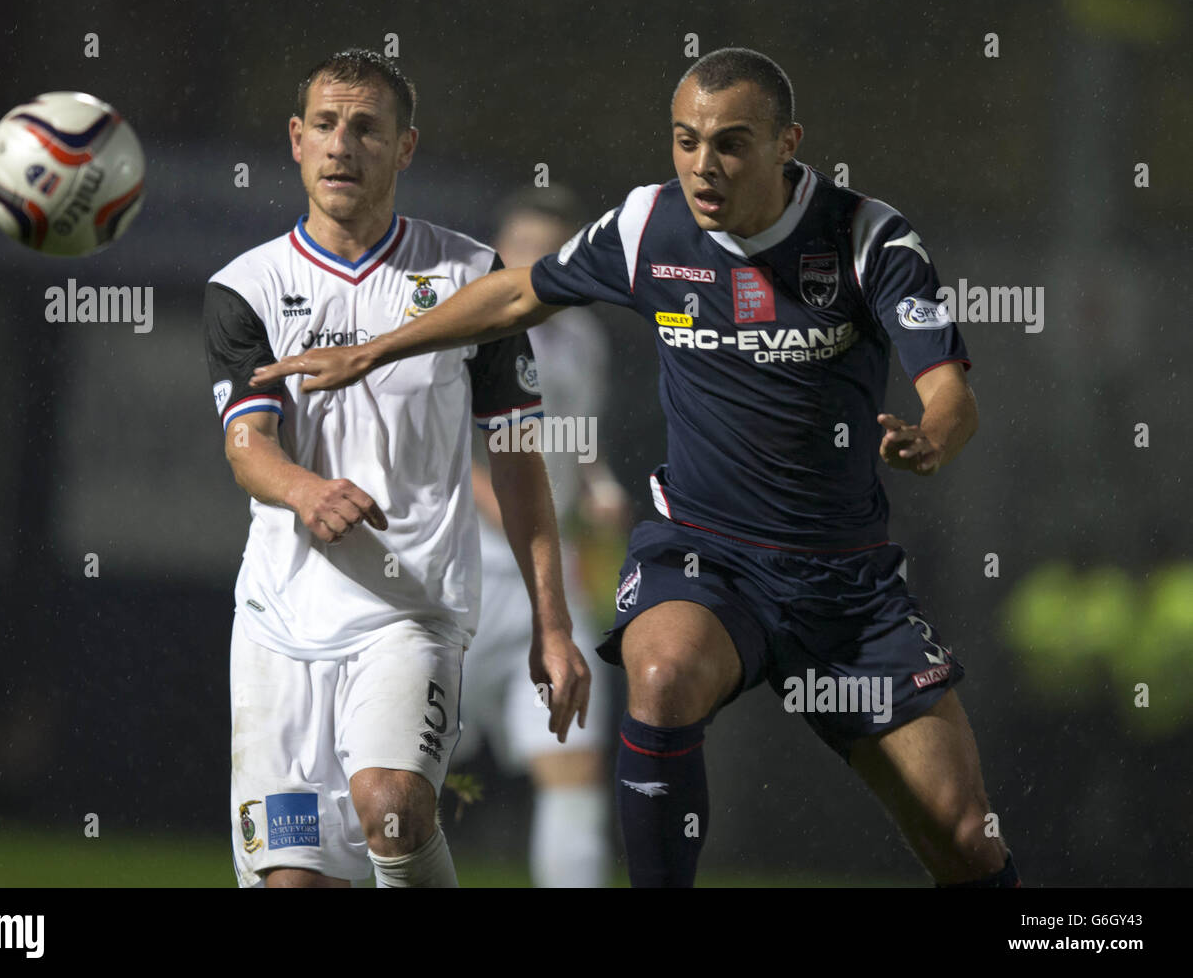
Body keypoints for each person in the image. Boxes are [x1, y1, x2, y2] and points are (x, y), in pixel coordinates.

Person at [251, 47, 1020, 888]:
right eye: (685, 141)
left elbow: (951, 392)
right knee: (658, 674)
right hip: (705, 556)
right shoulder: (650, 227)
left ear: (787, 142)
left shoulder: (866, 236)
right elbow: (515, 294)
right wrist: (374, 349)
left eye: (730, 143)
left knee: (964, 839)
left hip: (848, 585)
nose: (703, 165)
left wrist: (931, 436)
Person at [204, 49, 589, 889]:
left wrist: (553, 625)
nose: (345, 144)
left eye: (368, 128)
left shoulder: (471, 279)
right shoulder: (246, 287)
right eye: (328, 126)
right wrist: (307, 491)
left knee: (393, 806)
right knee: (297, 879)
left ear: (405, 148)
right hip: (278, 624)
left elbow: (519, 462)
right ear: (297, 141)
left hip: (410, 612)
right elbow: (247, 446)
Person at [457, 187, 630, 887]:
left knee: (576, 763)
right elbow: (442, 457)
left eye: (549, 252)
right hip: (458, 581)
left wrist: (601, 489)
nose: (532, 264)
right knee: (397, 774)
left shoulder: (582, 338)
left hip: (552, 582)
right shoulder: (459, 329)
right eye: (520, 248)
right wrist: (519, 514)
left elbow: (575, 443)